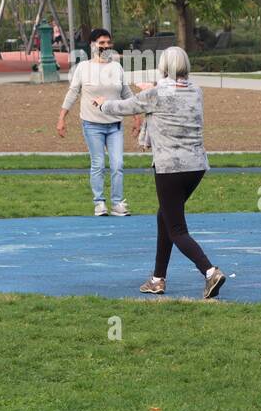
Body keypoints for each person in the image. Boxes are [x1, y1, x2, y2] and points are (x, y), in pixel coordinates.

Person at [95, 46, 227, 299]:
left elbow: (125, 107)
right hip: (196, 166)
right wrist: (151, 91)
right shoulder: (196, 91)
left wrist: (103, 105)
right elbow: (172, 98)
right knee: (164, 217)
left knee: (176, 229)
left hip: (170, 167)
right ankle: (157, 279)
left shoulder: (156, 94)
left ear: (164, 67)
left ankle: (210, 272)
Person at [57, 28, 137, 216]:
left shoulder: (116, 68)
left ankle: (117, 203)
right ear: (92, 45)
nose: (106, 46)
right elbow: (73, 93)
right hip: (92, 124)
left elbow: (126, 93)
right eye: (101, 43)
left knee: (117, 165)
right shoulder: (83, 68)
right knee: (98, 164)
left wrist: (136, 116)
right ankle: (99, 202)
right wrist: (62, 118)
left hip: (115, 125)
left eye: (109, 43)